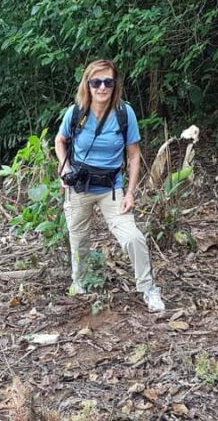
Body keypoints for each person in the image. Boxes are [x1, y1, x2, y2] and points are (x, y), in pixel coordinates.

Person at [54, 59, 165, 312]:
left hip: (112, 189)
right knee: (78, 239)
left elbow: (134, 155)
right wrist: (65, 168)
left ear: (115, 85)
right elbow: (60, 141)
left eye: (108, 82)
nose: (102, 88)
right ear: (88, 84)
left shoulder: (125, 114)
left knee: (132, 237)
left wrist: (130, 192)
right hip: (79, 188)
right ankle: (79, 283)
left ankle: (148, 289)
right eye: (96, 82)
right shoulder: (76, 112)